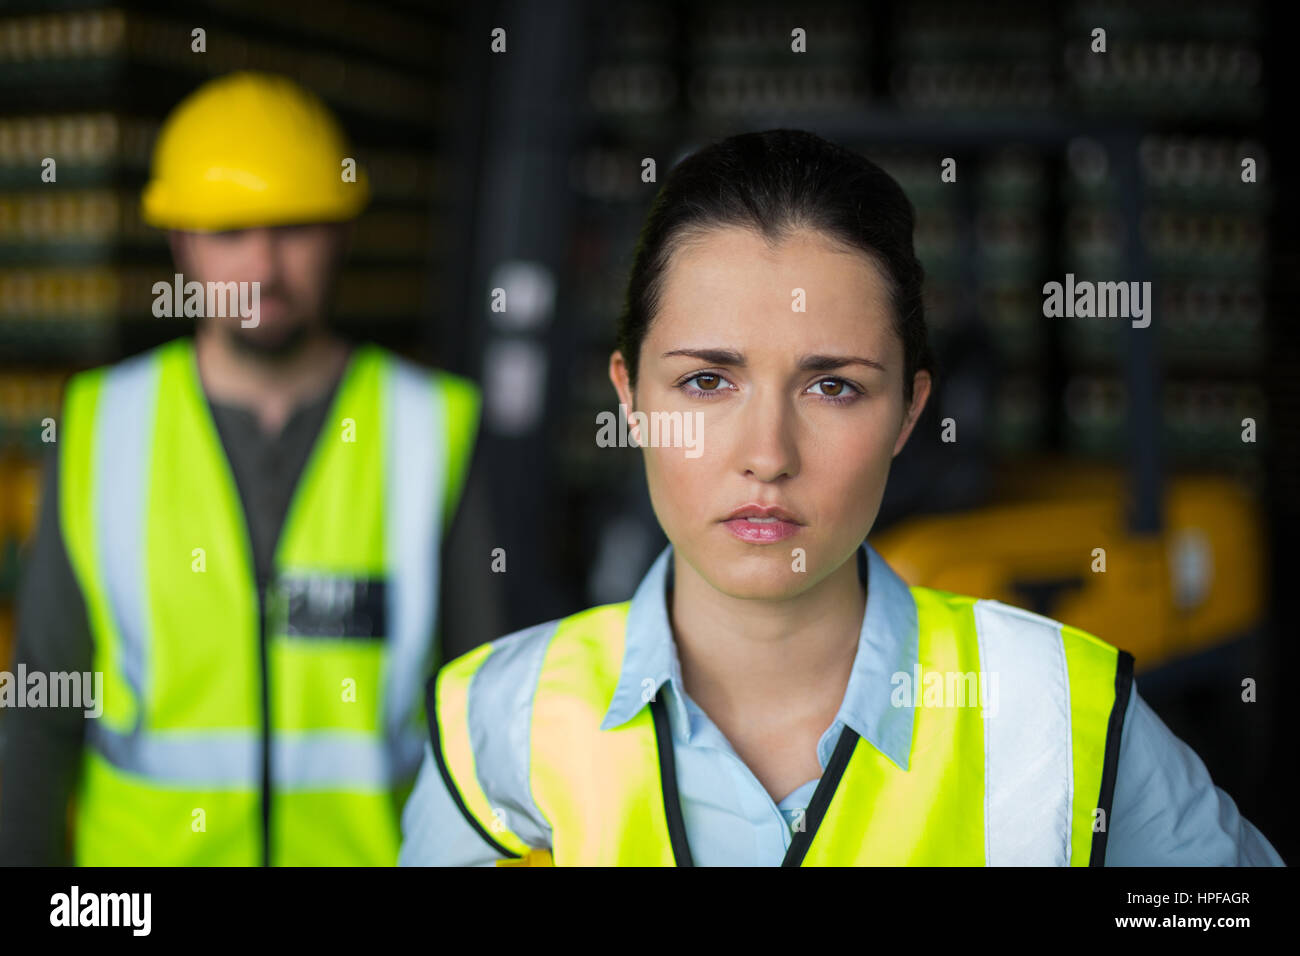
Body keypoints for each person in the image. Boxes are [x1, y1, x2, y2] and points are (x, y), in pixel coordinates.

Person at [398, 129, 1284, 866]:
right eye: (707, 382)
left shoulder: (1059, 711)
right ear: (630, 401)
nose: (767, 455)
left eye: (834, 389)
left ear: (909, 413)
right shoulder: (497, 726)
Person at [0, 71, 503, 866]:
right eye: (231, 231)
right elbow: (41, 705)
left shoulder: (430, 426)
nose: (265, 267)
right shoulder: (103, 425)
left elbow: (493, 716)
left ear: (339, 234)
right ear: (182, 242)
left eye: (295, 227)